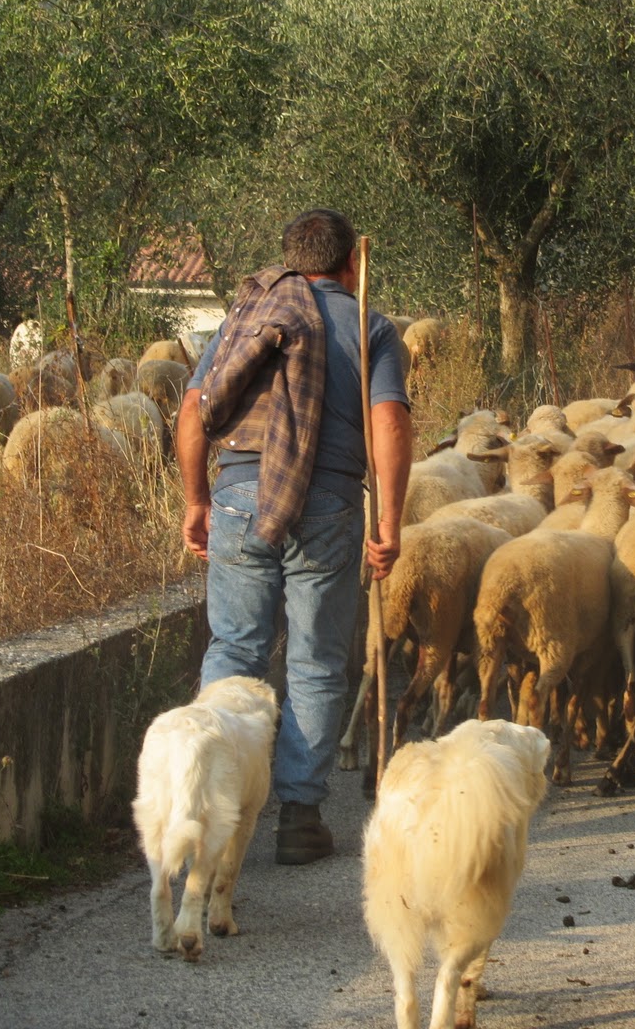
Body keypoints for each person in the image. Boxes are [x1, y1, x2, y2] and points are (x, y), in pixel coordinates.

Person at [176, 208, 412, 865]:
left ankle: (212, 803)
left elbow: (195, 412)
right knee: (315, 660)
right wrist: (390, 520)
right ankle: (300, 817)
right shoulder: (369, 328)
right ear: (350, 265)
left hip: (238, 497)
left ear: (291, 259)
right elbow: (388, 422)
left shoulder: (246, 318)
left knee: (236, 650)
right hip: (327, 503)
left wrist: (198, 499)